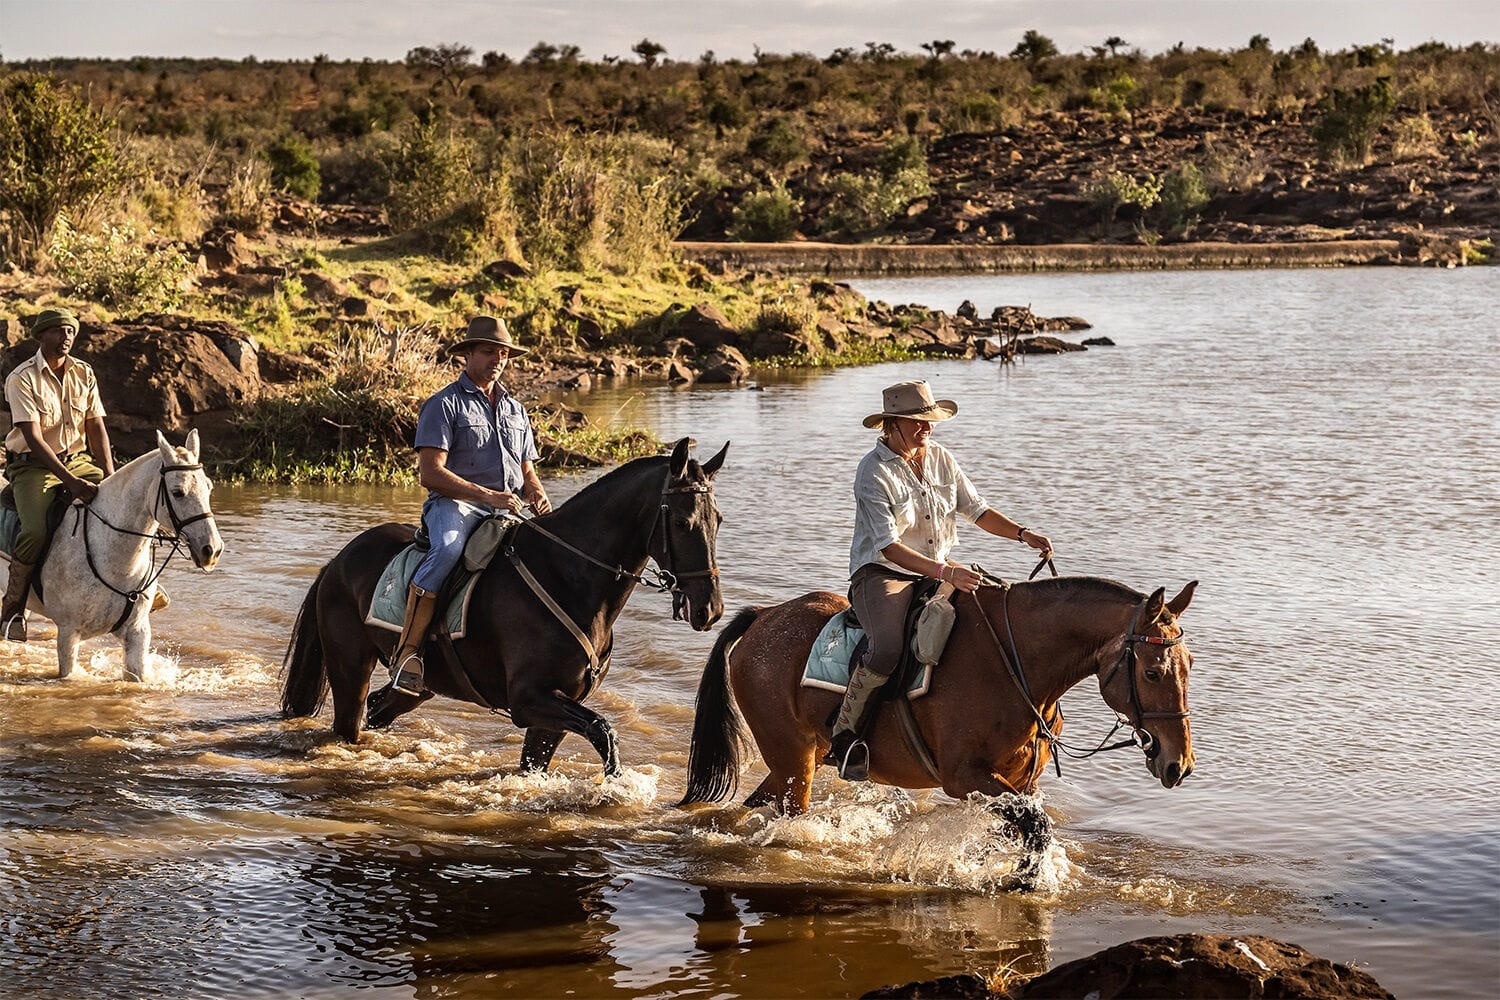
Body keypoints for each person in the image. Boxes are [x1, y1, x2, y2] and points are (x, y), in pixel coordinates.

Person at [828, 379, 1054, 780]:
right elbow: (889, 547)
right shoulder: (872, 471)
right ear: (892, 423)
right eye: (918, 421)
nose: (927, 427)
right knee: (887, 648)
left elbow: (978, 511)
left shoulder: (942, 459)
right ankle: (846, 737)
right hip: (885, 573)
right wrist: (947, 572)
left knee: (992, 623)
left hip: (938, 566)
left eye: (930, 419)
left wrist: (1022, 533)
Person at [390, 316, 551, 697]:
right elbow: (430, 473)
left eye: (504, 353)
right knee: (447, 550)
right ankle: (408, 654)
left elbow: (527, 470)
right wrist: (487, 496)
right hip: (456, 506)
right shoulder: (443, 405)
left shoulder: (516, 410)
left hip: (507, 508)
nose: (498, 359)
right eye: (489, 351)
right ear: (467, 355)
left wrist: (536, 493)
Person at [2, 308, 115, 641]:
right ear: (41, 336)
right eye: (58, 331)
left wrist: (110, 475)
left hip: (78, 460)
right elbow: (33, 438)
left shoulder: (84, 373)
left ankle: (139, 586)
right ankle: (12, 609)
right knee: (35, 530)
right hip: (33, 466)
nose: (66, 337)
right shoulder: (22, 378)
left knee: (130, 503)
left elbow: (96, 426)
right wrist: (70, 482)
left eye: (70, 331)